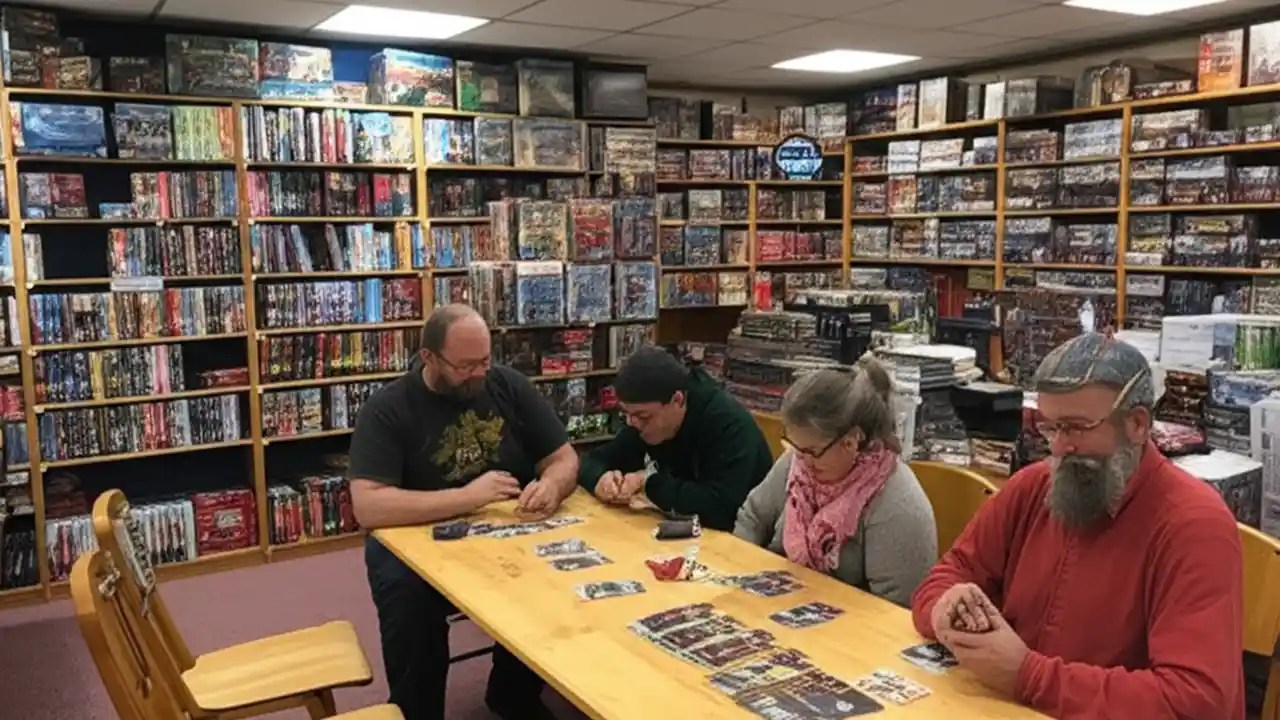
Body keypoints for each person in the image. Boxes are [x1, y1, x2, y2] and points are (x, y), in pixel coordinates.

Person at [909, 333, 1244, 720]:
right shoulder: (1033, 487)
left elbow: (1195, 702)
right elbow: (949, 574)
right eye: (1050, 427)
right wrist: (944, 610)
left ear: (1137, 424)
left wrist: (1028, 675)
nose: (1058, 447)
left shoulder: (1194, 526)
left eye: (1076, 427)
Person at [348, 304, 580, 720]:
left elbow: (563, 458)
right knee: (408, 601)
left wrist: (551, 484)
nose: (478, 373)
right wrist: (468, 498)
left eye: (485, 360)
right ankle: (415, 713)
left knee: (558, 571)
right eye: (465, 366)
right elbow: (368, 505)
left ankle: (513, 695)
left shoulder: (507, 385)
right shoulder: (387, 408)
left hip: (507, 529)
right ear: (429, 358)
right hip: (415, 539)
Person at [733, 361, 936, 607]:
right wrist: (740, 580)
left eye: (813, 451)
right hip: (774, 605)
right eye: (795, 447)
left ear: (851, 442)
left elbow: (896, 610)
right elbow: (752, 519)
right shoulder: (799, 461)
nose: (802, 461)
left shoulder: (896, 502)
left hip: (852, 623)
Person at [578, 346, 773, 530]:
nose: (632, 423)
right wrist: (600, 479)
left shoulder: (728, 425)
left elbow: (720, 508)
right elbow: (591, 460)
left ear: (677, 400)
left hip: (738, 539)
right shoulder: (644, 420)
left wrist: (648, 483)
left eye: (642, 416)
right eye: (626, 414)